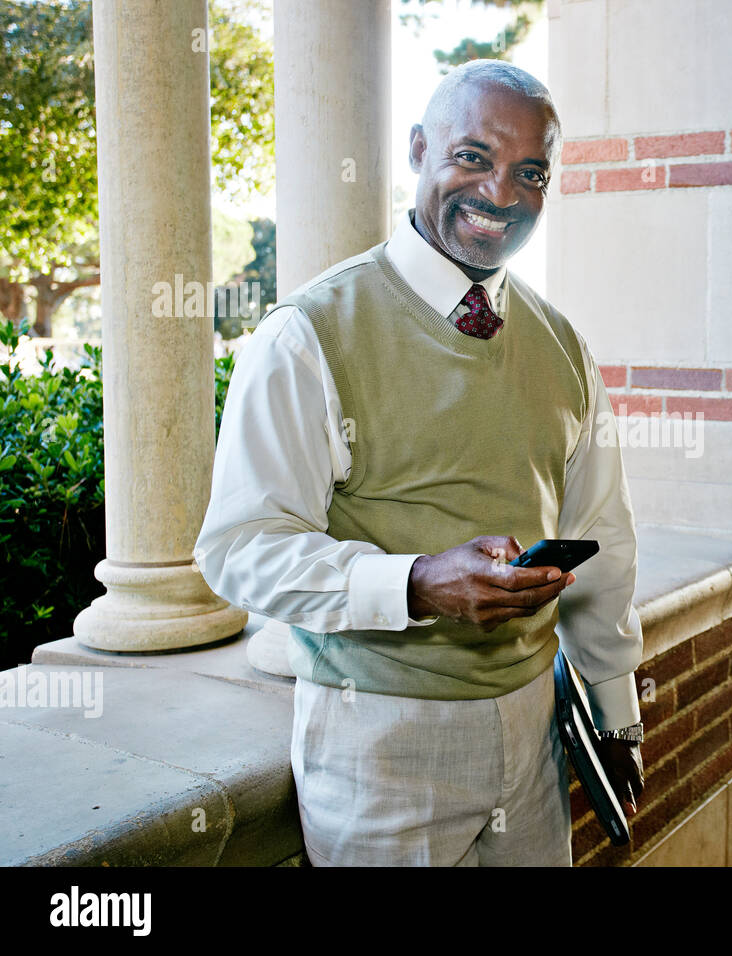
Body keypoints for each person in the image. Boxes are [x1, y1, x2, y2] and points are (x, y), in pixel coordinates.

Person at [195, 60, 646, 866]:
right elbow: (239, 550)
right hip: (378, 748)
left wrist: (615, 715)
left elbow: (600, 540)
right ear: (416, 150)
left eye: (531, 172)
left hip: (535, 735)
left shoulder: (564, 347)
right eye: (472, 157)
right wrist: (415, 582)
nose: (500, 194)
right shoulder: (308, 333)